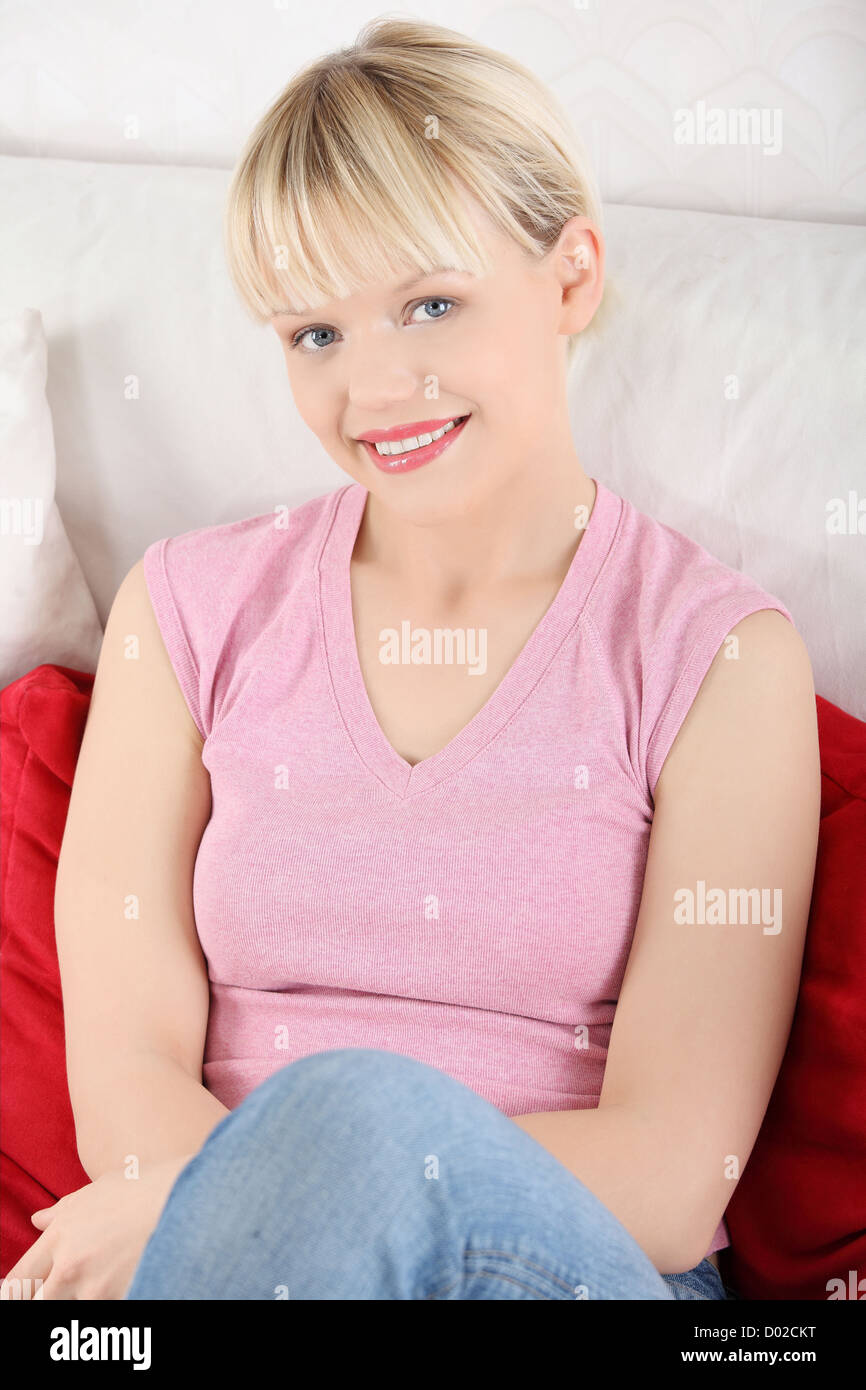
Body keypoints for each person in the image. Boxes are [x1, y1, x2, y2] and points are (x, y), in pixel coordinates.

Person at [4, 17, 820, 1301]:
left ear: (568, 279)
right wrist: (249, 1227)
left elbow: (671, 1175)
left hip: (554, 1273)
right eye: (313, 334)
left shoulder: (719, 655)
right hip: (202, 1264)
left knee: (366, 1124)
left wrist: (287, 1181)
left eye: (428, 304)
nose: (372, 388)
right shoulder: (184, 608)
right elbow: (126, 1071)